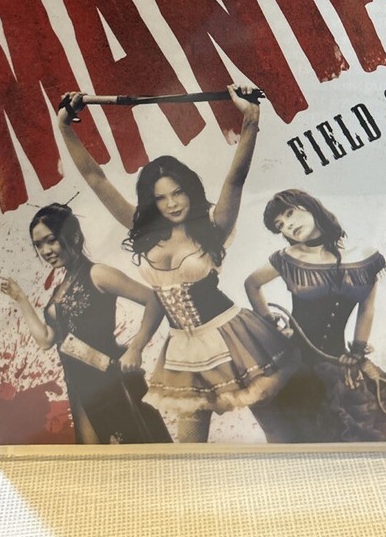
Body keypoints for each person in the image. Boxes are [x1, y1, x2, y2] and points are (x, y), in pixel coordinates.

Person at [56, 86, 298, 443]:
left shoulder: (213, 227)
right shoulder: (142, 231)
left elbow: (236, 178)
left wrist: (251, 118)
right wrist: (65, 126)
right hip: (184, 349)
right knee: (189, 446)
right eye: (162, 198)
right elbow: (97, 179)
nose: (172, 204)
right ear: (151, 203)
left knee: (277, 432)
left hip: (232, 336)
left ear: (190, 191)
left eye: (178, 192)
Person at [245, 188, 386, 443]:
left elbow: (366, 308)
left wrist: (358, 351)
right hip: (296, 368)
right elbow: (252, 284)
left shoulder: (366, 258)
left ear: (309, 206)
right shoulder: (288, 258)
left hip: (340, 362)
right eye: (280, 225)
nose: (287, 225)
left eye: (289, 214)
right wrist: (271, 325)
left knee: (385, 428)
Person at [0, 202, 171, 444]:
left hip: (110, 380)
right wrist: (21, 299)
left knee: (132, 447)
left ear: (74, 236)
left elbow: (155, 299)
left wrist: (136, 348)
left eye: (51, 240)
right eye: (38, 245)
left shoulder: (97, 274)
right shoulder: (59, 290)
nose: (45, 250)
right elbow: (46, 340)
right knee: (96, 455)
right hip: (79, 384)